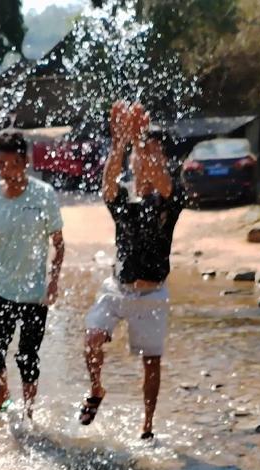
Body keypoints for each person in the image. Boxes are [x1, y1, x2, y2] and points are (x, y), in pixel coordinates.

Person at [80, 102, 185, 440]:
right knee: (92, 338)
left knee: (151, 363)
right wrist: (119, 144)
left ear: (163, 161)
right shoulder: (125, 203)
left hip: (153, 293)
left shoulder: (171, 197)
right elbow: (107, 185)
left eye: (154, 154)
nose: (145, 160)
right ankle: (97, 389)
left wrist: (139, 140)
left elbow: (162, 183)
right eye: (142, 156)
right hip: (118, 288)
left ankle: (147, 426)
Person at [0, 131, 64, 418]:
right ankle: (3, 392)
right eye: (0, 164)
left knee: (27, 357)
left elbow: (59, 244)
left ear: (25, 162)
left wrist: (53, 282)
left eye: (11, 164)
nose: (5, 170)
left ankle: (29, 411)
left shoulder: (44, 195)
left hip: (34, 295)